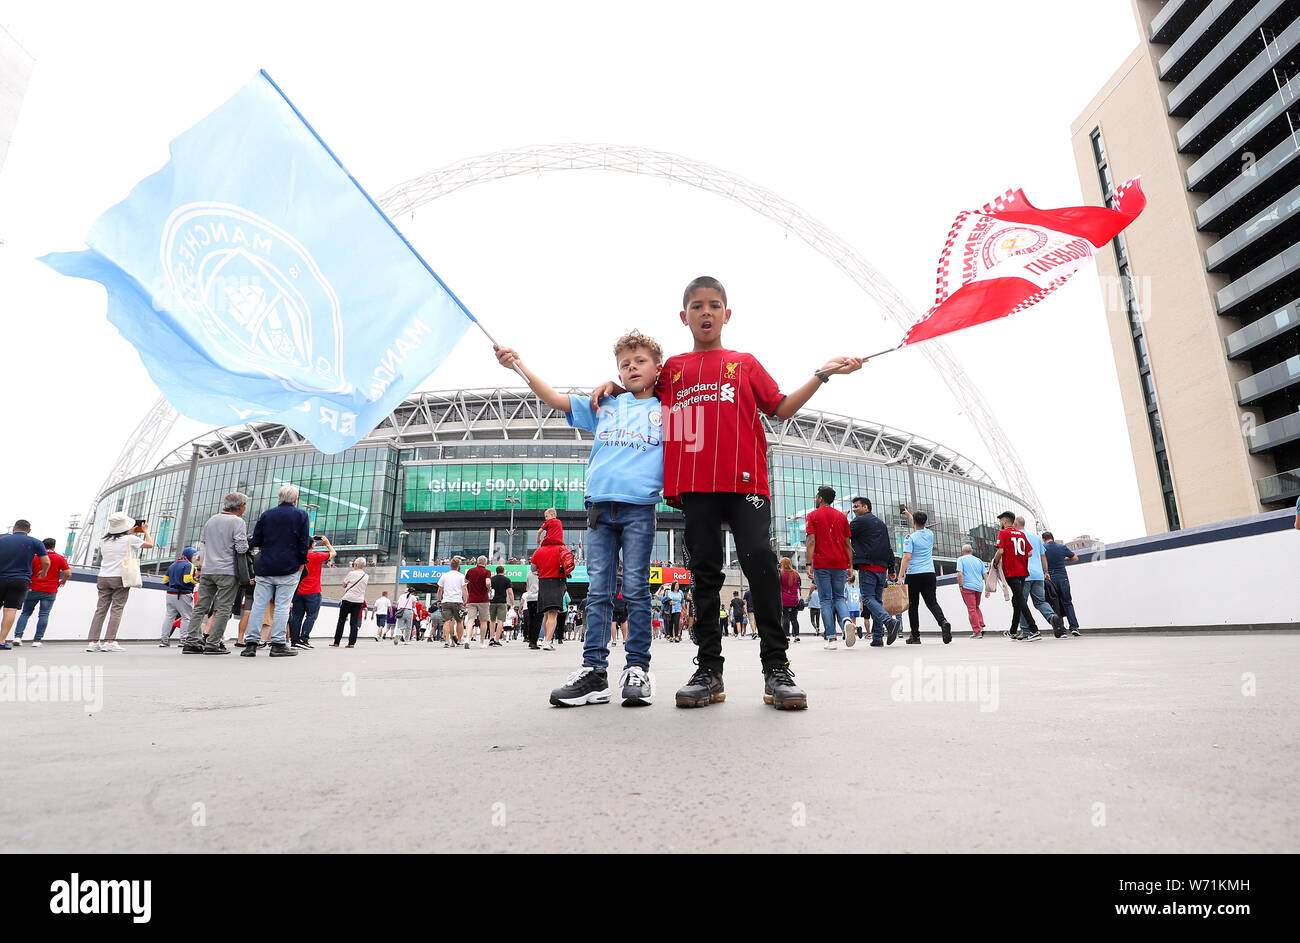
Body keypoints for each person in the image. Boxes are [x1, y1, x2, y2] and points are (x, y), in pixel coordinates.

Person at [590, 275, 862, 709]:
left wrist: (822, 375)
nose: (706, 312)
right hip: (694, 485)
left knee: (760, 565)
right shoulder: (673, 369)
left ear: (726, 314)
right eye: (697, 306)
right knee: (704, 575)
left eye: (714, 305)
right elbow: (639, 385)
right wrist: (613, 386)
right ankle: (708, 672)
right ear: (684, 316)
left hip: (745, 481)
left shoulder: (744, 363)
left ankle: (777, 669)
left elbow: (781, 406)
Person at [241, 484, 310, 657]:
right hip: (289, 566)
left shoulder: (266, 514)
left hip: (265, 567)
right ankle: (278, 644)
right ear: (296, 499)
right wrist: (302, 564)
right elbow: (303, 543)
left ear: (279, 497)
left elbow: (256, 540)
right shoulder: (301, 515)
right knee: (282, 606)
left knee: (258, 605)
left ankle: (251, 643)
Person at [87, 512, 153, 652]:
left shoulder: (103, 540)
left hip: (103, 576)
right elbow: (150, 544)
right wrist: (145, 530)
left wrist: (129, 531)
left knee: (100, 610)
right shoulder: (130, 539)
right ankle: (110, 641)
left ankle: (93, 642)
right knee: (116, 609)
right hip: (120, 577)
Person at [804, 485, 853, 650]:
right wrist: (850, 566)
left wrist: (808, 563)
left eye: (816, 496)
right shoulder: (841, 517)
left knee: (825, 599)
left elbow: (811, 540)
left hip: (821, 562)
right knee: (839, 597)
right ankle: (846, 620)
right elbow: (848, 544)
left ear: (820, 498)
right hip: (840, 563)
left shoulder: (812, 516)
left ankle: (832, 639)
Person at [849, 496, 899, 646]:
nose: (854, 509)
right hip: (882, 568)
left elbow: (844, 534)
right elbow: (889, 547)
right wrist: (891, 568)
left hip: (867, 566)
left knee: (867, 598)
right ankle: (877, 638)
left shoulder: (859, 521)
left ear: (866, 507)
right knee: (877, 601)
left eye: (856, 506)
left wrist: (843, 519)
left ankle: (889, 622)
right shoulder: (882, 524)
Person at [897, 507, 951, 645]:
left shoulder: (910, 538)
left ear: (914, 522)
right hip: (929, 574)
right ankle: (943, 622)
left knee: (913, 606)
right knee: (932, 602)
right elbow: (919, 526)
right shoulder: (930, 534)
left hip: (914, 575)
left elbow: (907, 557)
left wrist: (900, 576)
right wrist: (910, 515)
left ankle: (915, 636)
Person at [0, 520, 50, 650]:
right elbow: (46, 561)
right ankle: (1, 640)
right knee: (10, 609)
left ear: (14, 529)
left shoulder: (2, 540)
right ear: (29, 531)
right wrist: (43, 572)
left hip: (0, 577)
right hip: (20, 579)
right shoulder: (35, 542)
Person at [13, 536, 70, 647]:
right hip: (50, 590)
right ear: (54, 546)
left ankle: (18, 637)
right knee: (44, 615)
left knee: (25, 613)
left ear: (42, 546)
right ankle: (37, 640)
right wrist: (62, 581)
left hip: (33, 588)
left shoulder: (35, 558)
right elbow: (68, 573)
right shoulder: (60, 558)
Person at [991, 511, 1039, 641]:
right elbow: (1029, 553)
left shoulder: (1003, 533)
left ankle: (1034, 629)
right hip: (1022, 571)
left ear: (1005, 521)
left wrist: (995, 562)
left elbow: (1000, 550)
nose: (1000, 523)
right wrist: (1018, 557)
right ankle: (1013, 630)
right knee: (1016, 600)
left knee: (1020, 599)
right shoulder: (1021, 534)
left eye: (1001, 521)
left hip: (1011, 571)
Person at [1016, 516, 1065, 638]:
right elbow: (1043, 556)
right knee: (1040, 601)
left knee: (1021, 603)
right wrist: (1045, 572)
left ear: (1015, 524)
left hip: (1023, 575)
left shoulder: (1016, 537)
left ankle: (1026, 631)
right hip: (1038, 575)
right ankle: (1052, 616)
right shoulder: (1036, 538)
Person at [289, 534, 335, 649]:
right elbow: (333, 553)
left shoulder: (297, 555)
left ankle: (294, 640)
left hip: (298, 591)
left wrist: (307, 539)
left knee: (297, 616)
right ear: (313, 545)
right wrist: (327, 543)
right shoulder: (317, 556)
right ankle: (304, 639)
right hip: (313, 591)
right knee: (311, 616)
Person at [1042, 532, 1081, 636]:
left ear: (1043, 539)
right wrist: (1065, 559)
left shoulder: (1043, 548)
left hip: (1050, 579)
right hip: (1063, 578)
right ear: (1052, 538)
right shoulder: (1061, 547)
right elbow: (1075, 558)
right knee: (1068, 603)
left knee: (1056, 605)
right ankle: (1074, 628)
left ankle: (1062, 630)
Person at [159, 547, 197, 647]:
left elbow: (165, 581)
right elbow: (187, 580)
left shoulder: (172, 565)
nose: (195, 558)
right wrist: (197, 580)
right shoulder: (189, 565)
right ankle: (184, 640)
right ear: (189, 555)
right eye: (194, 556)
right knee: (186, 617)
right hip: (183, 594)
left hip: (170, 594)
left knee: (169, 616)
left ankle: (164, 640)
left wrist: (173, 585)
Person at [331, 558, 369, 647]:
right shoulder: (366, 576)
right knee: (354, 622)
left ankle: (336, 642)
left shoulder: (351, 573)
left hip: (348, 599)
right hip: (359, 600)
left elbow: (344, 584)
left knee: (341, 620)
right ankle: (351, 643)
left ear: (355, 565)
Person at [956, 544, 988, 638]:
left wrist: (961, 586)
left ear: (963, 552)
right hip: (979, 587)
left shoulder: (961, 559)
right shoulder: (979, 560)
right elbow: (985, 575)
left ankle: (977, 631)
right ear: (972, 551)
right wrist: (987, 589)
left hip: (967, 586)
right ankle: (981, 625)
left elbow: (960, 574)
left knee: (971, 608)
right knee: (976, 606)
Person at [436, 558, 469, 648]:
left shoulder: (444, 576)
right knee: (459, 621)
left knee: (446, 621)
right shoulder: (461, 576)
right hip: (457, 601)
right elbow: (464, 589)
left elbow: (439, 589)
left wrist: (439, 600)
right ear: (458, 566)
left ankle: (446, 641)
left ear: (450, 565)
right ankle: (458, 640)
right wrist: (465, 601)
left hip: (446, 601)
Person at [464, 555, 492, 647]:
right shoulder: (487, 572)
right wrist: (489, 588)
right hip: (483, 599)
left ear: (477, 562)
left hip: (472, 599)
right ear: (485, 563)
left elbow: (466, 580)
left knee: (470, 619)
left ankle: (467, 638)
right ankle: (482, 642)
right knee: (483, 621)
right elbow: (487, 582)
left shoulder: (470, 571)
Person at [489, 565, 514, 647]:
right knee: (500, 621)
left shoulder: (492, 579)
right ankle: (497, 640)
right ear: (503, 571)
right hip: (502, 602)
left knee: (492, 621)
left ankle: (491, 638)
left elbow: (488, 590)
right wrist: (512, 602)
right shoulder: (507, 580)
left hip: (492, 602)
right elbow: (510, 592)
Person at [779, 557, 802, 643]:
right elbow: (799, 586)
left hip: (784, 600)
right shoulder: (796, 574)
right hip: (794, 600)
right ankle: (797, 636)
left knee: (785, 618)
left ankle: (786, 636)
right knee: (794, 619)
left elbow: (778, 586)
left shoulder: (781, 574)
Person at [522, 563, 540, 649]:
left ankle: (530, 639)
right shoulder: (541, 573)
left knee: (531, 620)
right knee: (537, 621)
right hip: (538, 598)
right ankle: (534, 642)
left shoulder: (529, 574)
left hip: (529, 598)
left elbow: (528, 585)